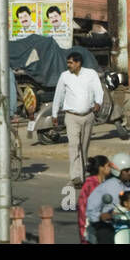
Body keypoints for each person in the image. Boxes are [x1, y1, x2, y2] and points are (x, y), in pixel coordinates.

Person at [51, 51, 102, 186]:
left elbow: (98, 90)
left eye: (70, 63)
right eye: (68, 63)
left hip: (88, 116)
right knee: (74, 145)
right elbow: (59, 95)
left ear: (78, 63)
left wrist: (98, 102)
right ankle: (76, 177)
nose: (68, 65)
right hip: (71, 117)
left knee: (83, 147)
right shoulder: (64, 76)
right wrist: (54, 114)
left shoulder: (91, 74)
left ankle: (83, 172)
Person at [77, 155, 113, 244]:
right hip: (90, 223)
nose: (110, 168)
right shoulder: (92, 184)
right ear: (101, 168)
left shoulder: (101, 182)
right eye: (108, 165)